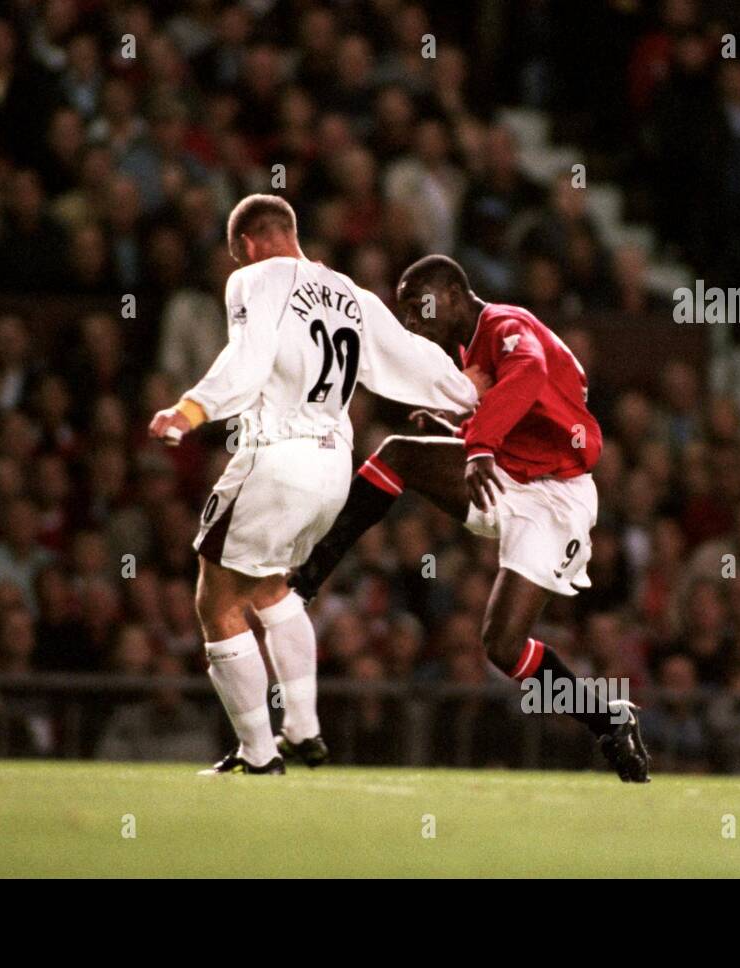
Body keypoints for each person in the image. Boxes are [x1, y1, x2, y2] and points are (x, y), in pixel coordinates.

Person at [148, 197, 487, 774]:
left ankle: (258, 754)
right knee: (269, 589)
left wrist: (191, 409)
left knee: (215, 598)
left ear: (248, 245)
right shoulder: (352, 293)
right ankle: (302, 729)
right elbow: (409, 360)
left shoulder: (254, 278)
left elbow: (247, 359)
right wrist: (470, 394)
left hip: (277, 455)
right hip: (334, 467)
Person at [289, 254, 651, 781]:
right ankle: (306, 579)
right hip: (507, 475)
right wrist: (463, 429)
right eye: (404, 310)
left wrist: (477, 443)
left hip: (556, 498)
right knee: (399, 454)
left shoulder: (507, 325)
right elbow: (517, 413)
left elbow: (530, 373)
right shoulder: (469, 352)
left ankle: (607, 719)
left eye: (419, 305)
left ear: (453, 295)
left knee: (502, 647)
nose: (412, 320)